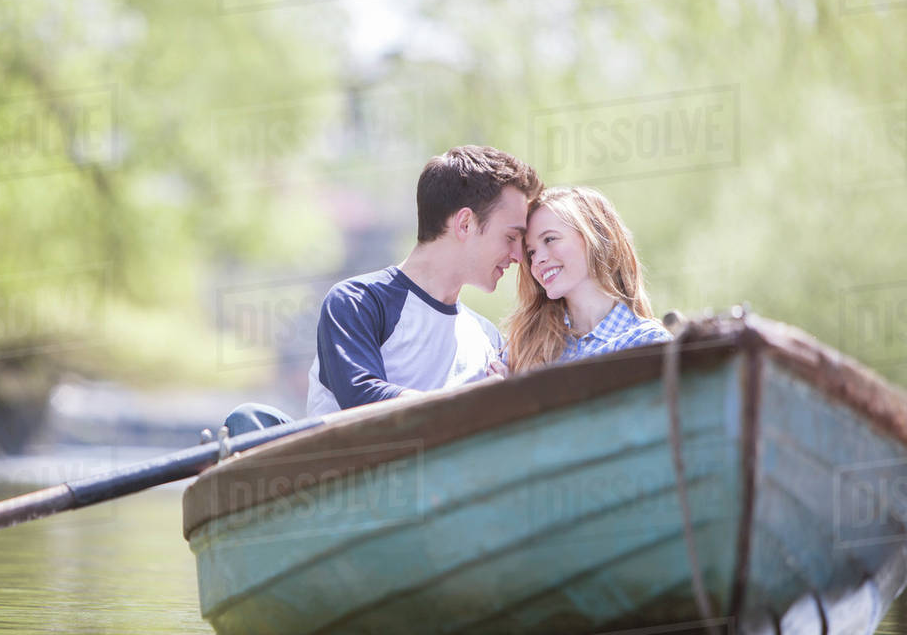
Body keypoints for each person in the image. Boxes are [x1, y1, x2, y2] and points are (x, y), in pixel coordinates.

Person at [223, 145, 542, 435]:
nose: (518, 256)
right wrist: (468, 403)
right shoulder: (358, 303)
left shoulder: (488, 338)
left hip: (445, 480)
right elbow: (363, 400)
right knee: (248, 418)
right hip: (352, 480)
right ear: (464, 224)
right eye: (511, 237)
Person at [504, 186, 671, 374]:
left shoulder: (647, 343)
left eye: (550, 239)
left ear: (595, 239)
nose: (537, 259)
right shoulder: (524, 347)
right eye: (531, 252)